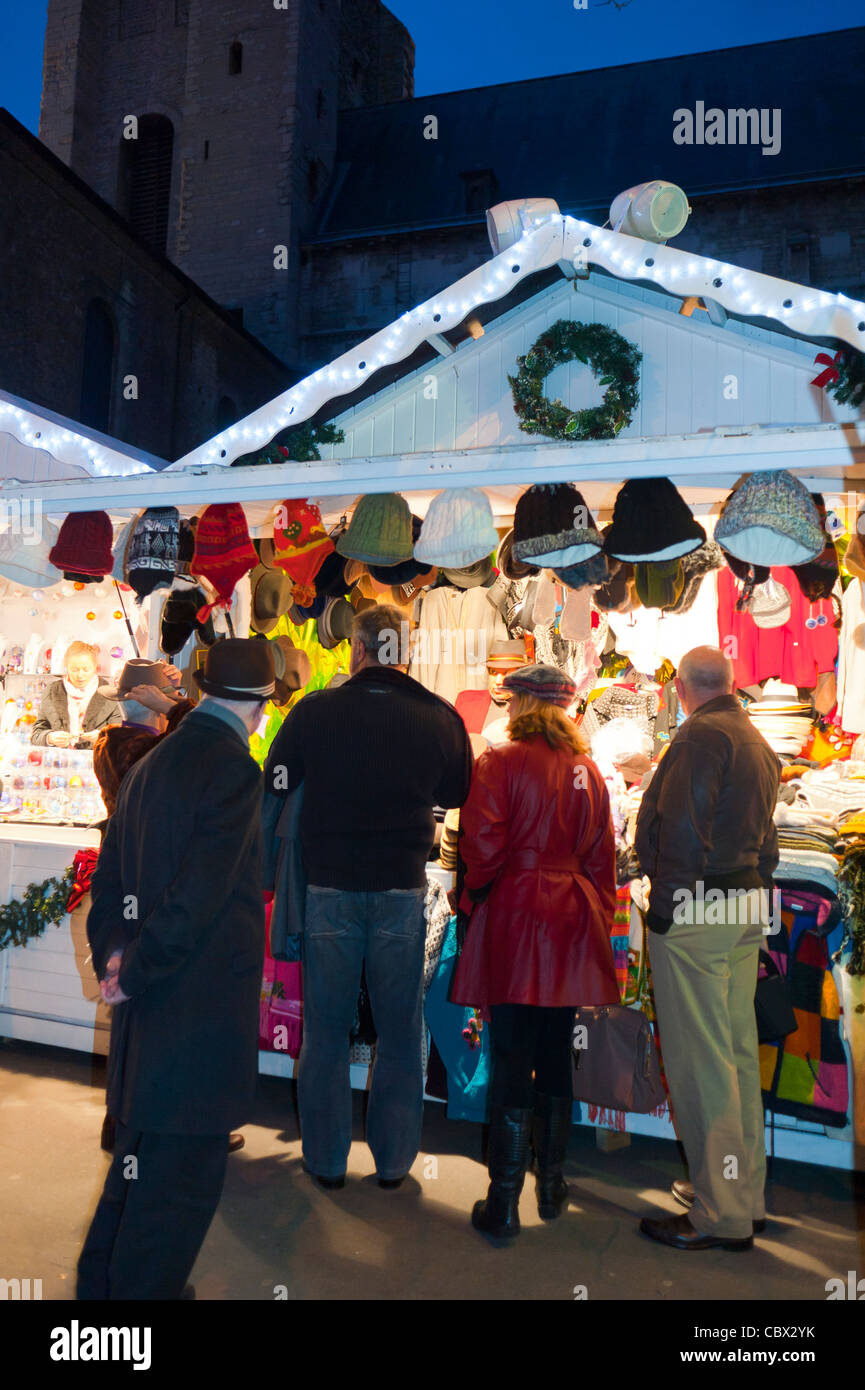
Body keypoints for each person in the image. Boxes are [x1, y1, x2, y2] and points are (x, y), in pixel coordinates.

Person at [77, 638, 274, 1300]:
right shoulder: (233, 771)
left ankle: (98, 1292)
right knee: (178, 1188)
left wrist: (115, 957)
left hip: (146, 1010)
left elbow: (110, 879)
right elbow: (199, 899)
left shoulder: (151, 761)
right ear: (262, 707)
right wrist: (133, 970)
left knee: (135, 1168)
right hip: (194, 1013)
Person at [263, 603, 472, 1189]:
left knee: (325, 1032)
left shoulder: (316, 712)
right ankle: (394, 1164)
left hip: (328, 887)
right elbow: (457, 791)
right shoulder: (439, 717)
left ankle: (327, 1163)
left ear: (356, 649)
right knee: (400, 1033)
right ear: (402, 651)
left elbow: (276, 779)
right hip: (401, 890)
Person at [451, 664, 619, 1242]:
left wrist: (475, 894)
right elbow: (603, 862)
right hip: (571, 917)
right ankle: (551, 1185)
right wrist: (592, 911)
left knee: (510, 1053)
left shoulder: (498, 761)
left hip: (517, 915)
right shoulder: (587, 771)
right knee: (554, 1054)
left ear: (522, 702)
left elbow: (483, 844)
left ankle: (503, 1203)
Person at [634, 645, 780, 1252]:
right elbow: (766, 843)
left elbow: (682, 835)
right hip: (742, 904)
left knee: (702, 1067)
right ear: (730, 682)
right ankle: (742, 1198)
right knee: (736, 1056)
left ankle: (718, 1213)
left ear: (684, 691)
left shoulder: (698, 738)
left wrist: (664, 912)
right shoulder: (755, 739)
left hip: (698, 907)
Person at [31, 641, 120, 746]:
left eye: (86, 669)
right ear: (66, 667)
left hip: (96, 760)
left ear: (95, 667)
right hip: (60, 760)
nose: (80, 675)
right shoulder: (52, 692)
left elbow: (120, 737)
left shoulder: (109, 695)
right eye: (74, 670)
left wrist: (103, 737)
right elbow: (36, 734)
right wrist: (50, 738)